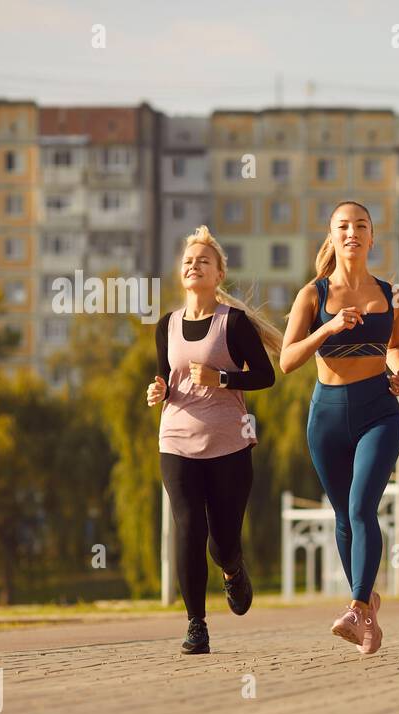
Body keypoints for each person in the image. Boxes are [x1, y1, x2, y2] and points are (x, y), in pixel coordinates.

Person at [280, 202, 399, 656]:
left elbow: (394, 347)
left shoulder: (393, 294)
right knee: (341, 516)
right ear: (332, 237)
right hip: (327, 417)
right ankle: (369, 608)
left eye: (361, 226)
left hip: (379, 411)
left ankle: (356, 607)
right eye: (343, 226)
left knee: (360, 509)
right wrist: (328, 328)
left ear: (373, 237)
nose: (352, 232)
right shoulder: (312, 295)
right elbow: (287, 359)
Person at [148, 225, 280, 655]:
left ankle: (233, 569)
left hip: (229, 443)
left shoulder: (234, 324)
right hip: (177, 440)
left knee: (222, 541)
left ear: (219, 273)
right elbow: (164, 377)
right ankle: (196, 624)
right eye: (188, 260)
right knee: (189, 526)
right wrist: (158, 390)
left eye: (203, 260)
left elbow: (265, 375)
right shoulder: (165, 325)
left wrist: (223, 378)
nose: (193, 265)